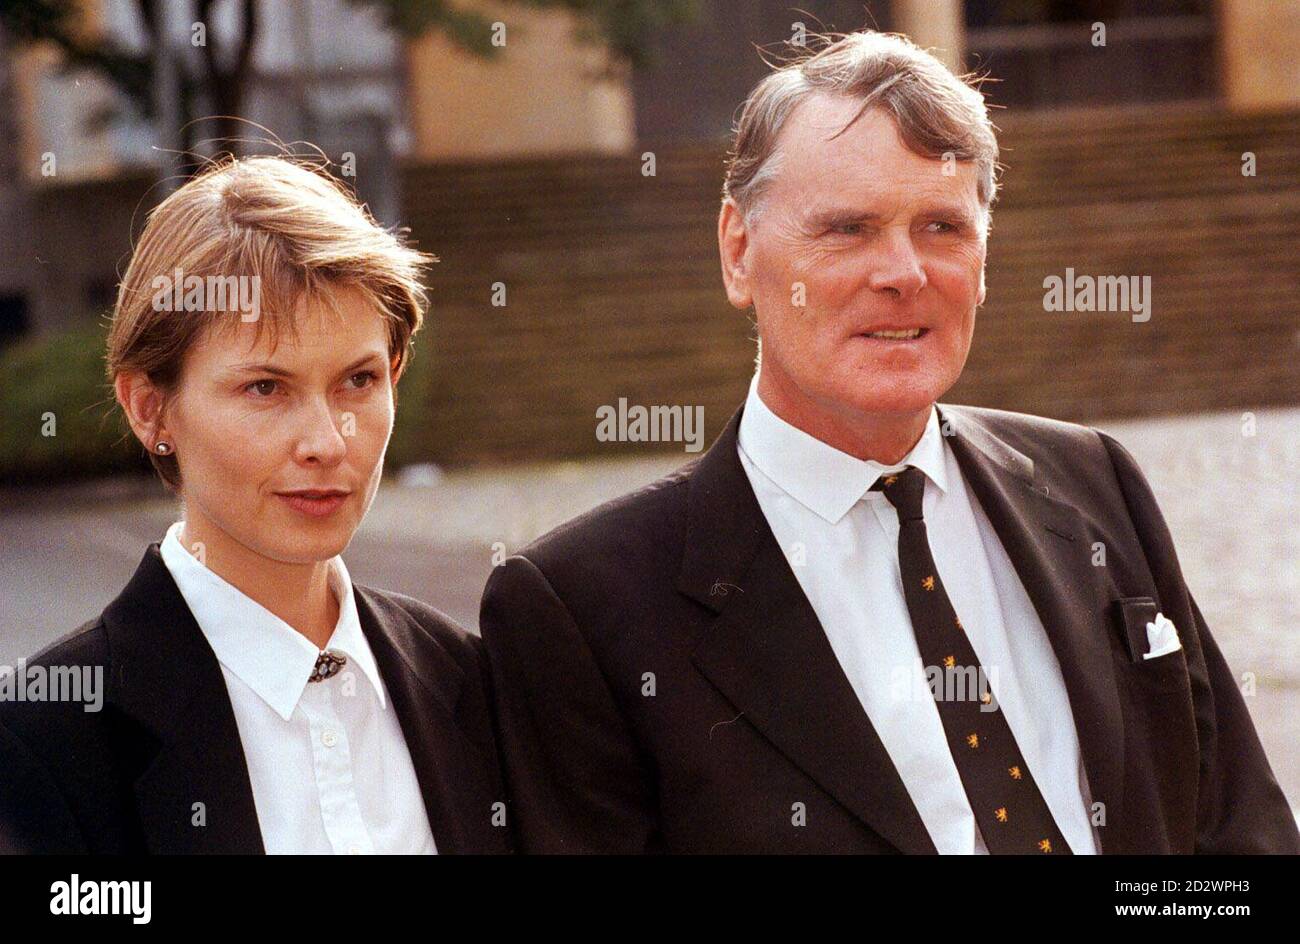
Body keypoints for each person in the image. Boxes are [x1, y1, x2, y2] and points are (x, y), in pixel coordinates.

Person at [478, 30, 1299, 854]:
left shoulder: (1093, 483)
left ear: (984, 259)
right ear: (738, 251)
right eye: (848, 229)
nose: (903, 272)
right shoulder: (582, 608)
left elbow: (1238, 833)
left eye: (943, 226)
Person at [0, 155, 508, 854]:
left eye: (357, 380)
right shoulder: (43, 738)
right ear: (150, 408)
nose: (327, 442)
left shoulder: (473, 684)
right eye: (266, 389)